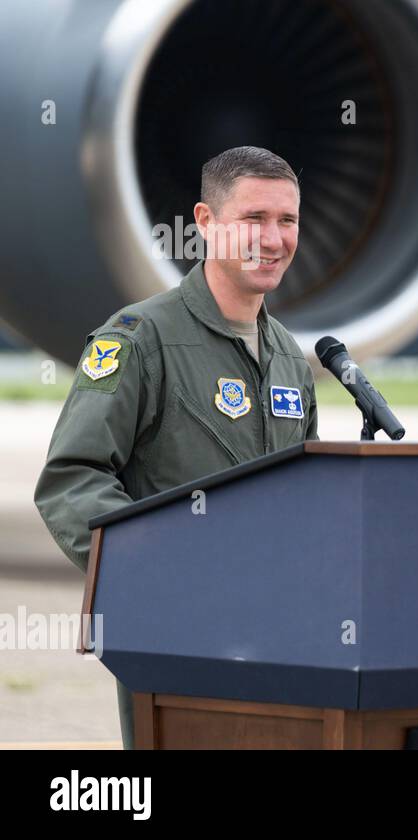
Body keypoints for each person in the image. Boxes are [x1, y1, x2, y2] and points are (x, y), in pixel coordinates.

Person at [34, 145, 318, 748]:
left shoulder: (293, 358)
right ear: (206, 223)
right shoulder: (139, 340)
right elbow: (73, 477)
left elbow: (311, 497)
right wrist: (151, 578)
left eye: (287, 220)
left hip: (284, 639)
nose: (273, 238)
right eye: (253, 219)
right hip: (178, 640)